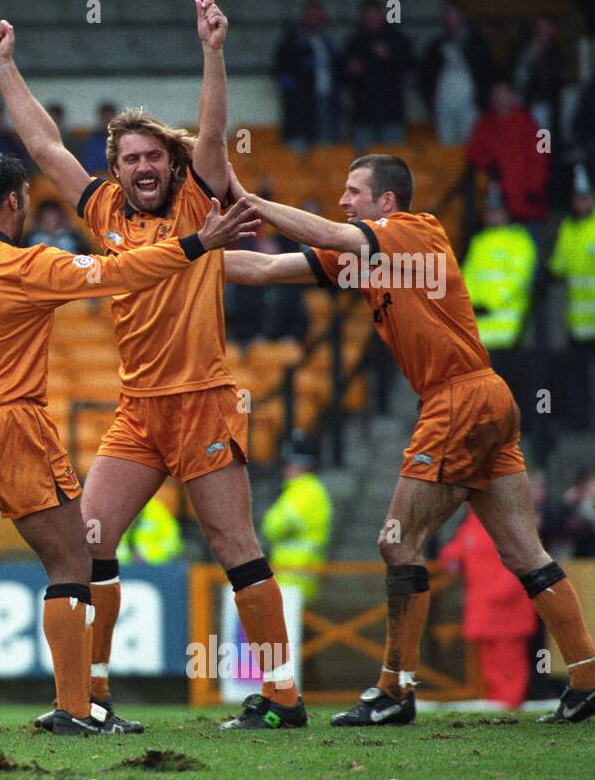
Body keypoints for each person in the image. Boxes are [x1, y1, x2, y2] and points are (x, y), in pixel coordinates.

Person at [0, 153, 260, 735]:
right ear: (15, 201)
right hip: (11, 426)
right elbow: (120, 273)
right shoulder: (30, 265)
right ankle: (76, 709)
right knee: (73, 561)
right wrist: (196, 244)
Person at [0, 4, 307, 732]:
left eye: (152, 155)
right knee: (91, 540)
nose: (143, 166)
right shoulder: (101, 212)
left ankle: (282, 697)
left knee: (234, 545)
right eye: (130, 158)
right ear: (117, 169)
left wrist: (213, 51)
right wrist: (4, 64)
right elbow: (43, 145)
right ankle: (92, 698)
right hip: (138, 410)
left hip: (202, 401)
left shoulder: (199, 198)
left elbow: (216, 139)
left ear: (170, 159)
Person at [223, 153, 595, 725]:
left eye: (354, 191)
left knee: (398, 544)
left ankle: (395, 691)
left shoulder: (416, 231)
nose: (344, 200)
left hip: (459, 400)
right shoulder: (369, 259)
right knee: (525, 551)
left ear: (386, 202)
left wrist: (249, 199)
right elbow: (267, 270)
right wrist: (183, 258)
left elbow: (325, 229)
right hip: (485, 399)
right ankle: (588, 682)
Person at [439, 509, 537, 708]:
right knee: (489, 659)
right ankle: (497, 701)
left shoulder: (512, 520)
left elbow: (523, 558)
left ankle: (510, 701)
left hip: (507, 606)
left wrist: (504, 589)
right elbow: (457, 548)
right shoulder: (473, 521)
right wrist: (451, 557)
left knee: (508, 657)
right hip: (482, 603)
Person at [261, 431, 332, 606]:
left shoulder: (305, 490)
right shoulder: (306, 490)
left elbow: (272, 527)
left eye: (288, 464)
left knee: (287, 631)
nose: (284, 469)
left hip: (296, 575)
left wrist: (270, 523)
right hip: (296, 575)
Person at [461, 186, 536, 351]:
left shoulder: (519, 240)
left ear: (506, 212)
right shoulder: (479, 241)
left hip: (507, 324)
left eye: (497, 210)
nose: (492, 215)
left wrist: (489, 303)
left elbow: (517, 279)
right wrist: (471, 304)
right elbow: (467, 277)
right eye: (489, 211)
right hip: (479, 324)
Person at [466, 83, 550, 226]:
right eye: (497, 96)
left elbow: (542, 156)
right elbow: (472, 151)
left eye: (504, 95)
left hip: (526, 198)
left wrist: (535, 187)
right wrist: (487, 164)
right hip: (499, 199)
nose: (500, 100)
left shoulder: (528, 122)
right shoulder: (484, 124)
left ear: (512, 97)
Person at [418, 0, 494, 146]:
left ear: (462, 16)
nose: (449, 18)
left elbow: (485, 72)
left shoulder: (477, 42)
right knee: (446, 143)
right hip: (443, 101)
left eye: (452, 14)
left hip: (469, 101)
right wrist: (431, 97)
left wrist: (482, 100)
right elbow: (426, 74)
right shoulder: (437, 44)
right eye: (446, 15)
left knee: (470, 143)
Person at [340, 0, 414, 150]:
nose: (371, 19)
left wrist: (389, 57)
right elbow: (342, 75)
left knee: (392, 159)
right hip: (363, 111)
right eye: (367, 15)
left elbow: (409, 67)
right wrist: (350, 70)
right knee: (362, 162)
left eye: (374, 14)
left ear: (381, 15)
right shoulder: (354, 41)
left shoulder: (396, 38)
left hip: (390, 110)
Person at [271, 0, 339, 150]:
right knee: (300, 140)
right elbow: (281, 70)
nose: (315, 19)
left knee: (326, 139)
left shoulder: (325, 40)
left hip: (326, 96)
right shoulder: (293, 41)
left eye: (318, 15)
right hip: (301, 100)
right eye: (311, 15)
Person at [548, 165, 595, 345]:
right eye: (577, 198)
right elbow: (561, 260)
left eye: (585, 197)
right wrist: (551, 269)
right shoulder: (568, 226)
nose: (581, 202)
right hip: (576, 316)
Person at [115, 489, 182, 565]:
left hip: (155, 567)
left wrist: (145, 553)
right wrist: (128, 556)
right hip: (119, 568)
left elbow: (172, 540)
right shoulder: (108, 510)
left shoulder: (155, 509)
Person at [77, 101, 118, 176]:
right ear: (100, 118)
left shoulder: (123, 140)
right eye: (105, 117)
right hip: (99, 181)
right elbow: (89, 167)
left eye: (110, 117)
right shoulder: (91, 141)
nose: (108, 120)